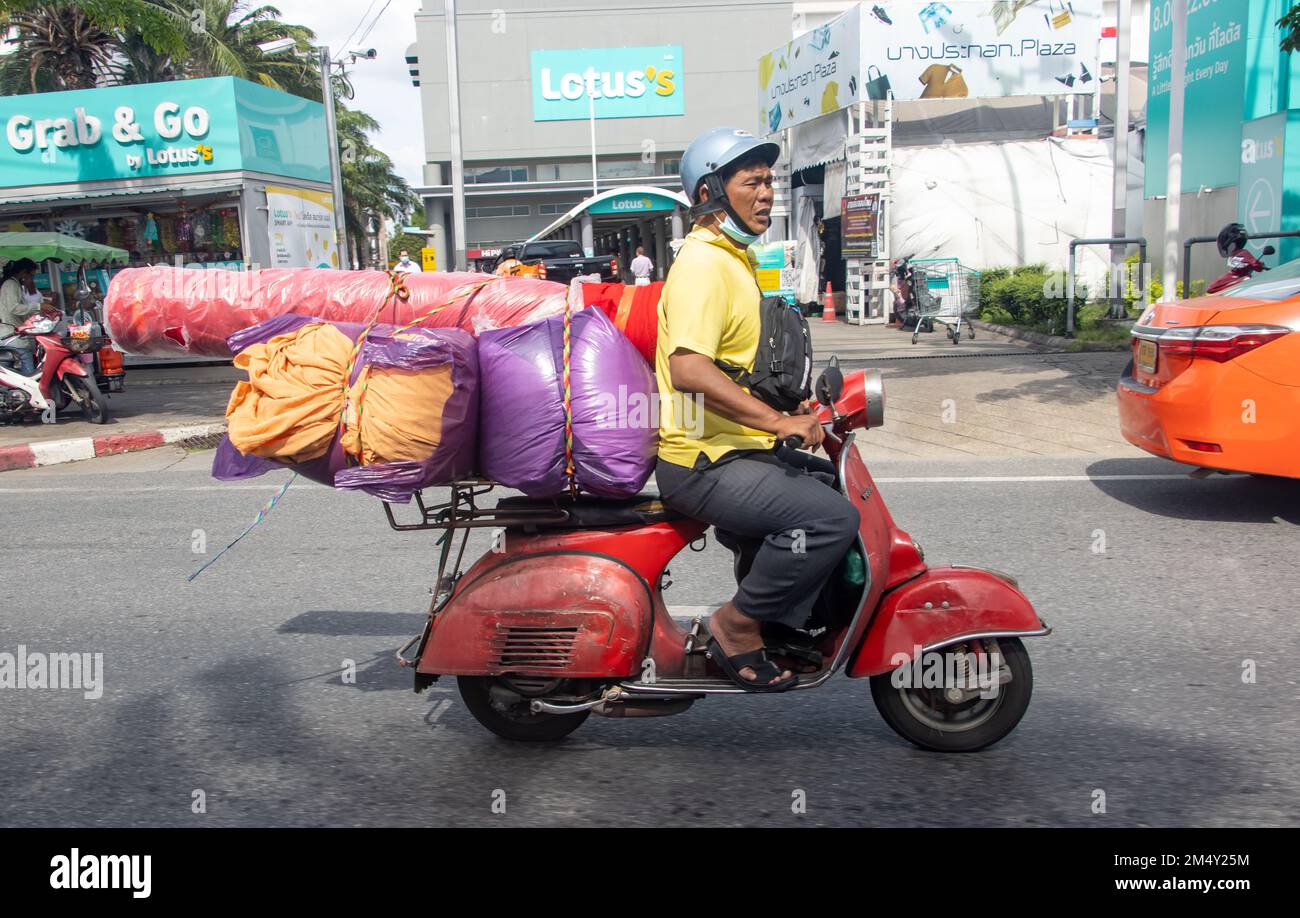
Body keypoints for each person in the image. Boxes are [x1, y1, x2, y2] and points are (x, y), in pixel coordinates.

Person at [654, 127, 860, 693]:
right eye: (752, 181)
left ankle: (781, 619)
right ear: (709, 195)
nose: (767, 191)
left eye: (770, 180)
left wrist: (794, 402)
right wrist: (778, 423)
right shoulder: (703, 264)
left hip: (731, 448)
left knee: (831, 484)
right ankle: (736, 624)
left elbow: (737, 362)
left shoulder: (733, 258)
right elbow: (689, 370)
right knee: (829, 519)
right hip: (702, 460)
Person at [0, 258, 48, 377]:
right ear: (22, 273)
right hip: (12, 336)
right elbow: (14, 308)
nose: (32, 279)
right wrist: (39, 306)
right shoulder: (10, 284)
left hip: (15, 334)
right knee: (29, 374)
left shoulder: (15, 285)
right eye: (31, 275)